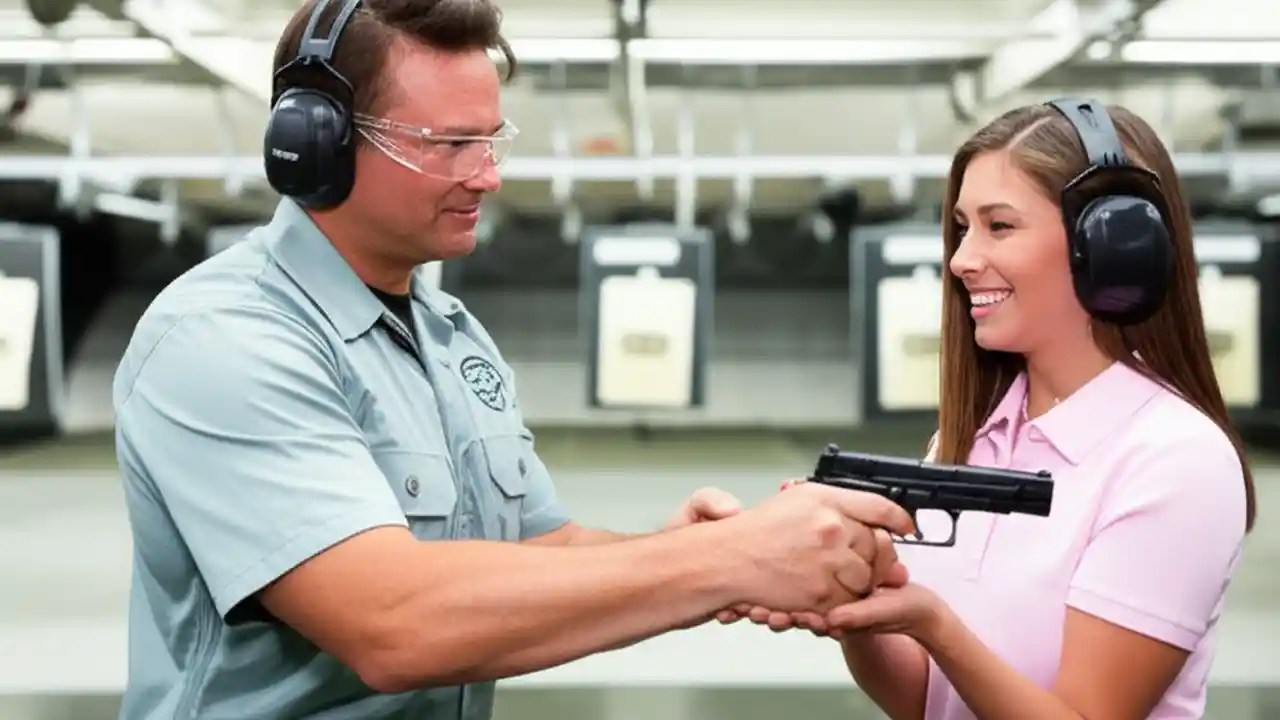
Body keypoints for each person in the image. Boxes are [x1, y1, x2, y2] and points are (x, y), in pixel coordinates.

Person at [110, 1, 917, 718]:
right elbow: (393, 626)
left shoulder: (450, 333)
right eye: (451, 143)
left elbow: (542, 551)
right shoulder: (224, 338)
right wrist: (722, 560)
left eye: (490, 140)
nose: (488, 175)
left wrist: (691, 554)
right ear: (314, 145)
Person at [726, 100, 1256, 719]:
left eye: (999, 226)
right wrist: (859, 600)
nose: (960, 260)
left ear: (1111, 246)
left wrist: (935, 624)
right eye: (962, 227)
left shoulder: (1175, 459)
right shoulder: (972, 436)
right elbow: (926, 700)